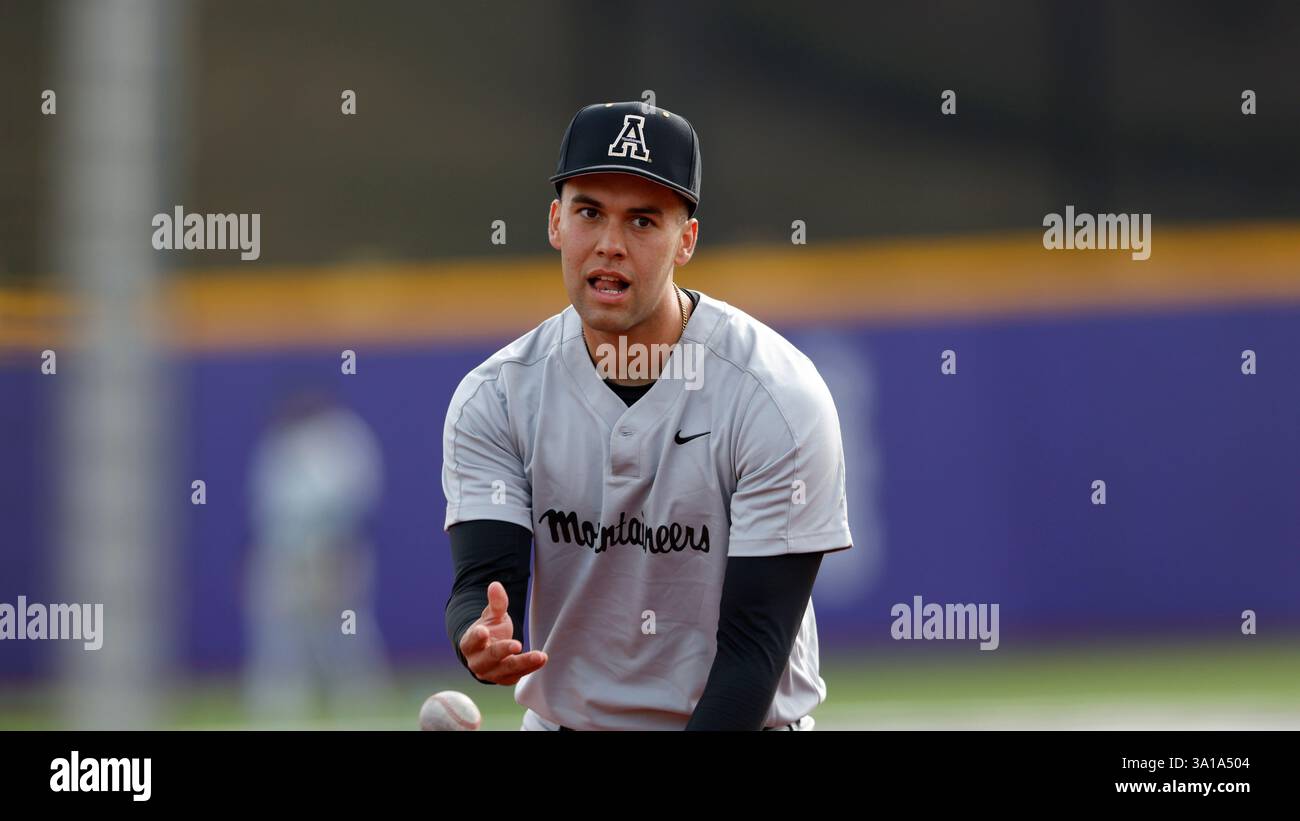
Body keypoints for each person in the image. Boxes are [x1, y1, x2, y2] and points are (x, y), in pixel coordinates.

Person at [442, 101, 852, 730]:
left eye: (642, 220)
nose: (609, 244)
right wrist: (478, 631)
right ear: (555, 222)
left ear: (685, 239)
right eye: (589, 212)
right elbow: (483, 581)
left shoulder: (774, 395)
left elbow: (753, 650)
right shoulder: (496, 396)